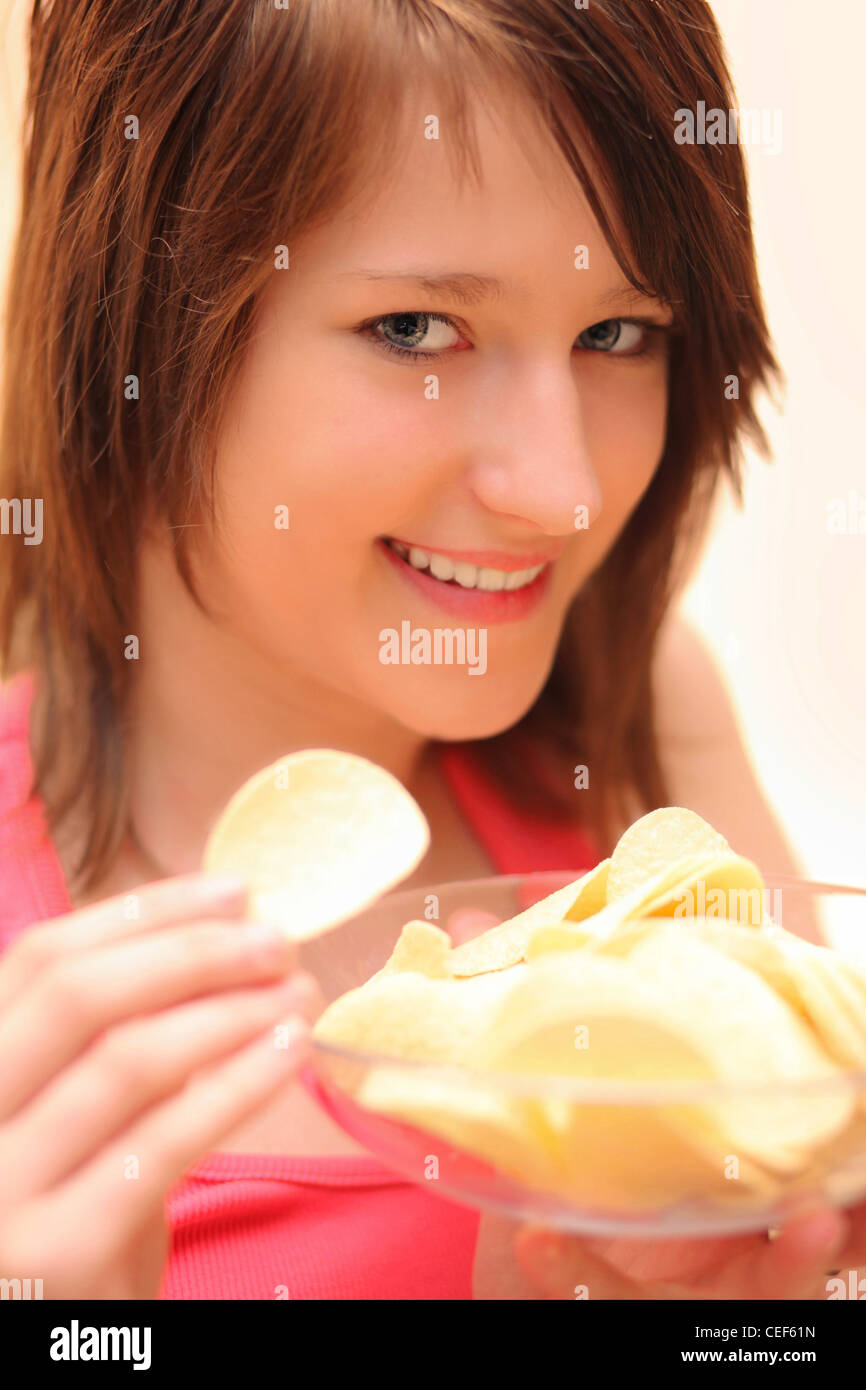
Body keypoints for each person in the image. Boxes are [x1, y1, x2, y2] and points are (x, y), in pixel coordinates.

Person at [0, 0, 860, 1299]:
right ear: (134, 320)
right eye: (414, 329)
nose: (562, 486)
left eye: (616, 332)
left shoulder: (633, 720)